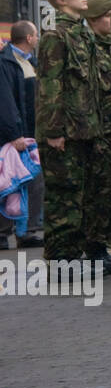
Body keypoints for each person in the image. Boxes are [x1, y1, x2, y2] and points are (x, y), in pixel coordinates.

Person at [35, 0, 107, 266]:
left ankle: (77, 257)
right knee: (64, 200)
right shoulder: (55, 36)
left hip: (85, 130)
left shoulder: (82, 34)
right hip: (63, 133)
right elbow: (50, 87)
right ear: (62, 0)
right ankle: (61, 262)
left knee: (83, 198)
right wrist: (53, 131)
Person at [85, 0, 111, 268]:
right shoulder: (90, 49)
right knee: (99, 193)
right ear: (95, 19)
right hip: (99, 132)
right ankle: (96, 249)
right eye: (109, 16)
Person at [1, 21, 41, 247]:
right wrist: (14, 133)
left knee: (33, 181)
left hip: (30, 134)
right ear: (28, 38)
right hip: (12, 136)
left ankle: (27, 232)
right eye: (35, 35)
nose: (37, 39)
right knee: (7, 182)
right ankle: (3, 232)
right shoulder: (5, 63)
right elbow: (6, 102)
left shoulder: (30, 62)